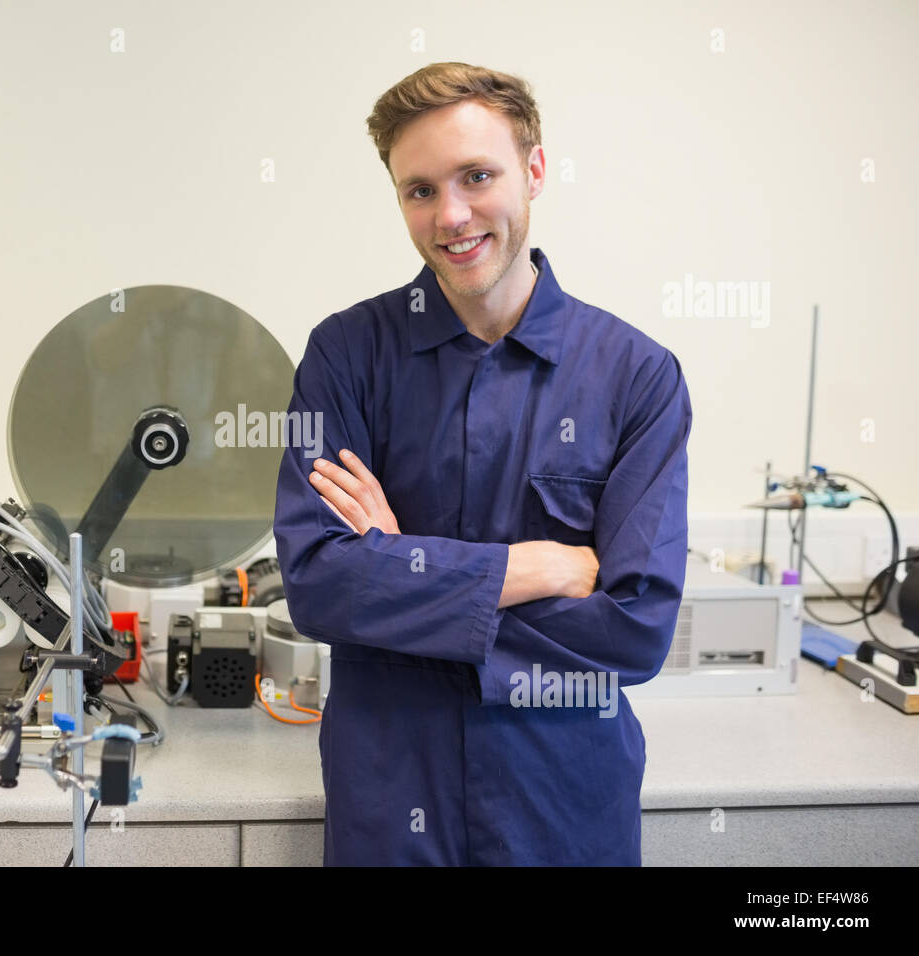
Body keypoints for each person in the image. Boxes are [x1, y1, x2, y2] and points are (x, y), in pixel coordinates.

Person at [272, 62, 692, 865]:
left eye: (477, 176)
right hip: (390, 798)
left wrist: (398, 571)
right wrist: (538, 567)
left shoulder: (635, 376)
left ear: (534, 168)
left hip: (562, 800)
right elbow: (320, 586)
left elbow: (635, 631)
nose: (451, 215)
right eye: (419, 190)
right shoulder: (347, 356)